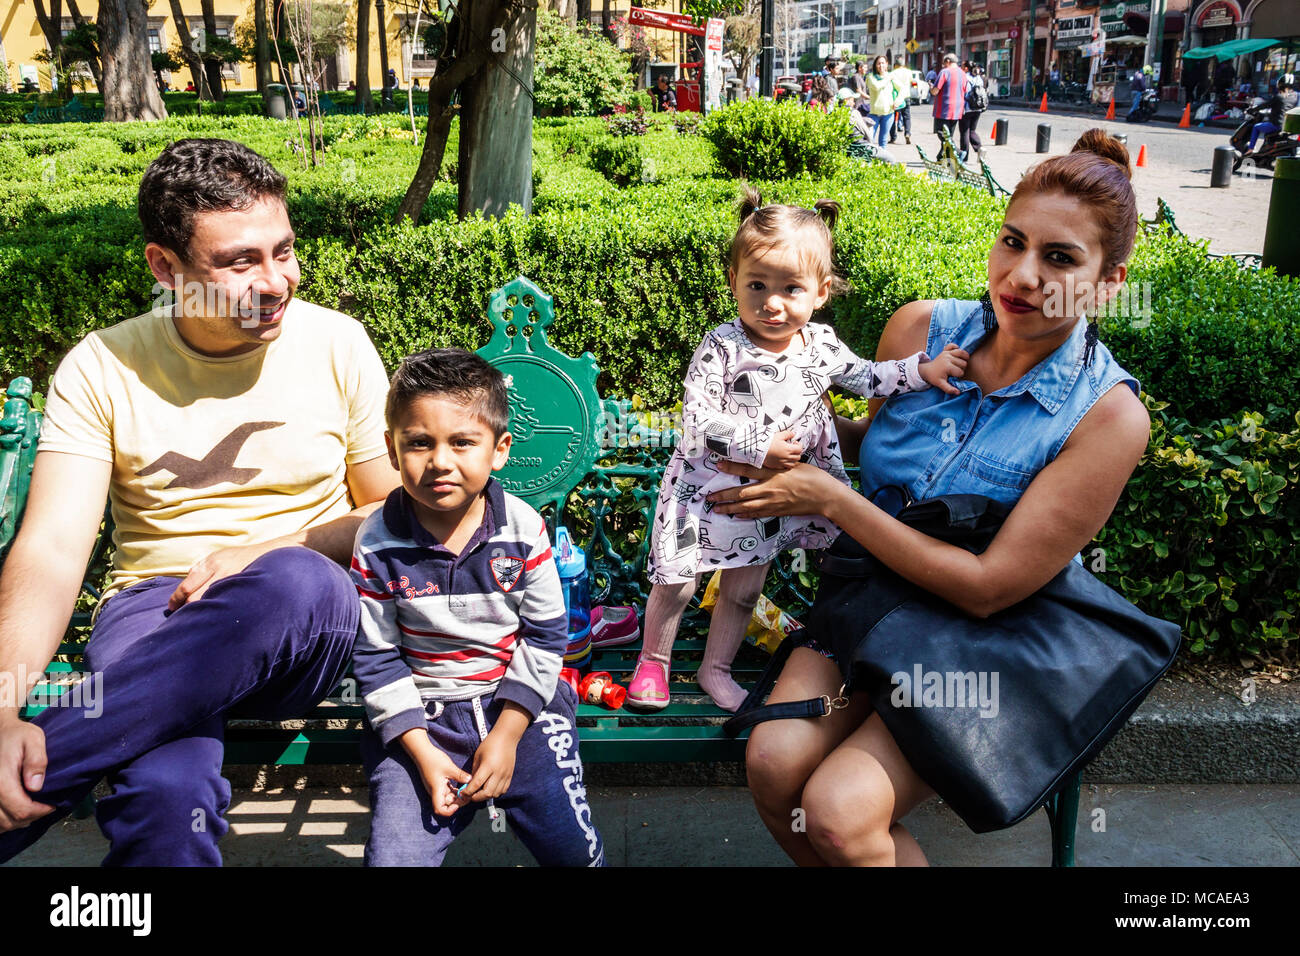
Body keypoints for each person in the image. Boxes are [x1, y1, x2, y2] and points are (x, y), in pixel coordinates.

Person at [711, 129, 1150, 866]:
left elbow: (987, 589)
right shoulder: (920, 329)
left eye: (1061, 258)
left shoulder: (1109, 416)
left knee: (841, 814)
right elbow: (870, 442)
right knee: (774, 761)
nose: (1023, 273)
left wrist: (830, 501)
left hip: (986, 641)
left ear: (1110, 281)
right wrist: (779, 424)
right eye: (1013, 241)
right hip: (871, 603)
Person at [0, 138, 399, 865]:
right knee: (163, 792)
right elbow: (53, 548)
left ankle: (53, 757)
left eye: (284, 251)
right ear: (165, 267)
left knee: (294, 579)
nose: (277, 281)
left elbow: (396, 512)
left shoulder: (336, 343)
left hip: (306, 617)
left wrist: (266, 551)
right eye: (240, 262)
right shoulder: (102, 364)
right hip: (157, 613)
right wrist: (1, 706)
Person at [625, 189, 968, 713]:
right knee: (678, 582)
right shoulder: (722, 346)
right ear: (732, 282)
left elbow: (869, 379)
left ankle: (716, 669)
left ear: (821, 292)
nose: (772, 303)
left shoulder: (823, 346)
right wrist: (759, 445)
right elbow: (694, 423)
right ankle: (655, 661)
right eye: (757, 285)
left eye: (791, 288)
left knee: (742, 590)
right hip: (705, 491)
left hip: (770, 501)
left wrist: (923, 369)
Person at [351, 349, 604, 867]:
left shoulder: (523, 529)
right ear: (392, 452)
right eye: (419, 443)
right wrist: (423, 753)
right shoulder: (376, 542)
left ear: (500, 448)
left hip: (522, 710)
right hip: (422, 722)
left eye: (462, 442)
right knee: (393, 858)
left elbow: (545, 636)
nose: (440, 461)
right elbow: (376, 657)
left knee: (574, 852)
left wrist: (508, 734)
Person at [1246, 75, 1296, 151]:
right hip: (1286, 127)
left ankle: (1250, 149)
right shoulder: (1294, 97)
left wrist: (1251, 110)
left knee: (1256, 127)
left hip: (1276, 126)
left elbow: (1265, 105)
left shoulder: (1279, 97)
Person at [931, 52, 966, 147]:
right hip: (957, 109)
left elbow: (935, 91)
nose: (943, 65)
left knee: (942, 134)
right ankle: (943, 157)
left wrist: (931, 88)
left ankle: (957, 152)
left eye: (944, 63)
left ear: (948, 61)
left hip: (944, 109)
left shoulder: (945, 72)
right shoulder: (962, 74)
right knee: (949, 134)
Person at [865, 55, 899, 148]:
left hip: (888, 114)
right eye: (878, 63)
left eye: (883, 63)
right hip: (873, 114)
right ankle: (868, 161)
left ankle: (881, 162)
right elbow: (876, 87)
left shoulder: (892, 76)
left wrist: (897, 101)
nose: (881, 65)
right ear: (875, 65)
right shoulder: (870, 77)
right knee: (869, 139)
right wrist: (888, 78)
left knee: (883, 141)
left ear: (887, 64)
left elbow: (902, 89)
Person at [960, 63, 987, 161]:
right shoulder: (979, 78)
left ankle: (964, 156)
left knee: (964, 132)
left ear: (966, 68)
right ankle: (979, 148)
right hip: (978, 108)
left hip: (967, 108)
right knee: (972, 130)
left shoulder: (966, 78)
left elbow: (965, 94)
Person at [890, 59, 914, 145]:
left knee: (892, 118)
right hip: (906, 96)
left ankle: (893, 137)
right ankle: (907, 133)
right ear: (903, 65)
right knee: (907, 116)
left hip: (896, 98)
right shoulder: (908, 72)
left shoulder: (892, 73)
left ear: (895, 65)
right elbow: (911, 81)